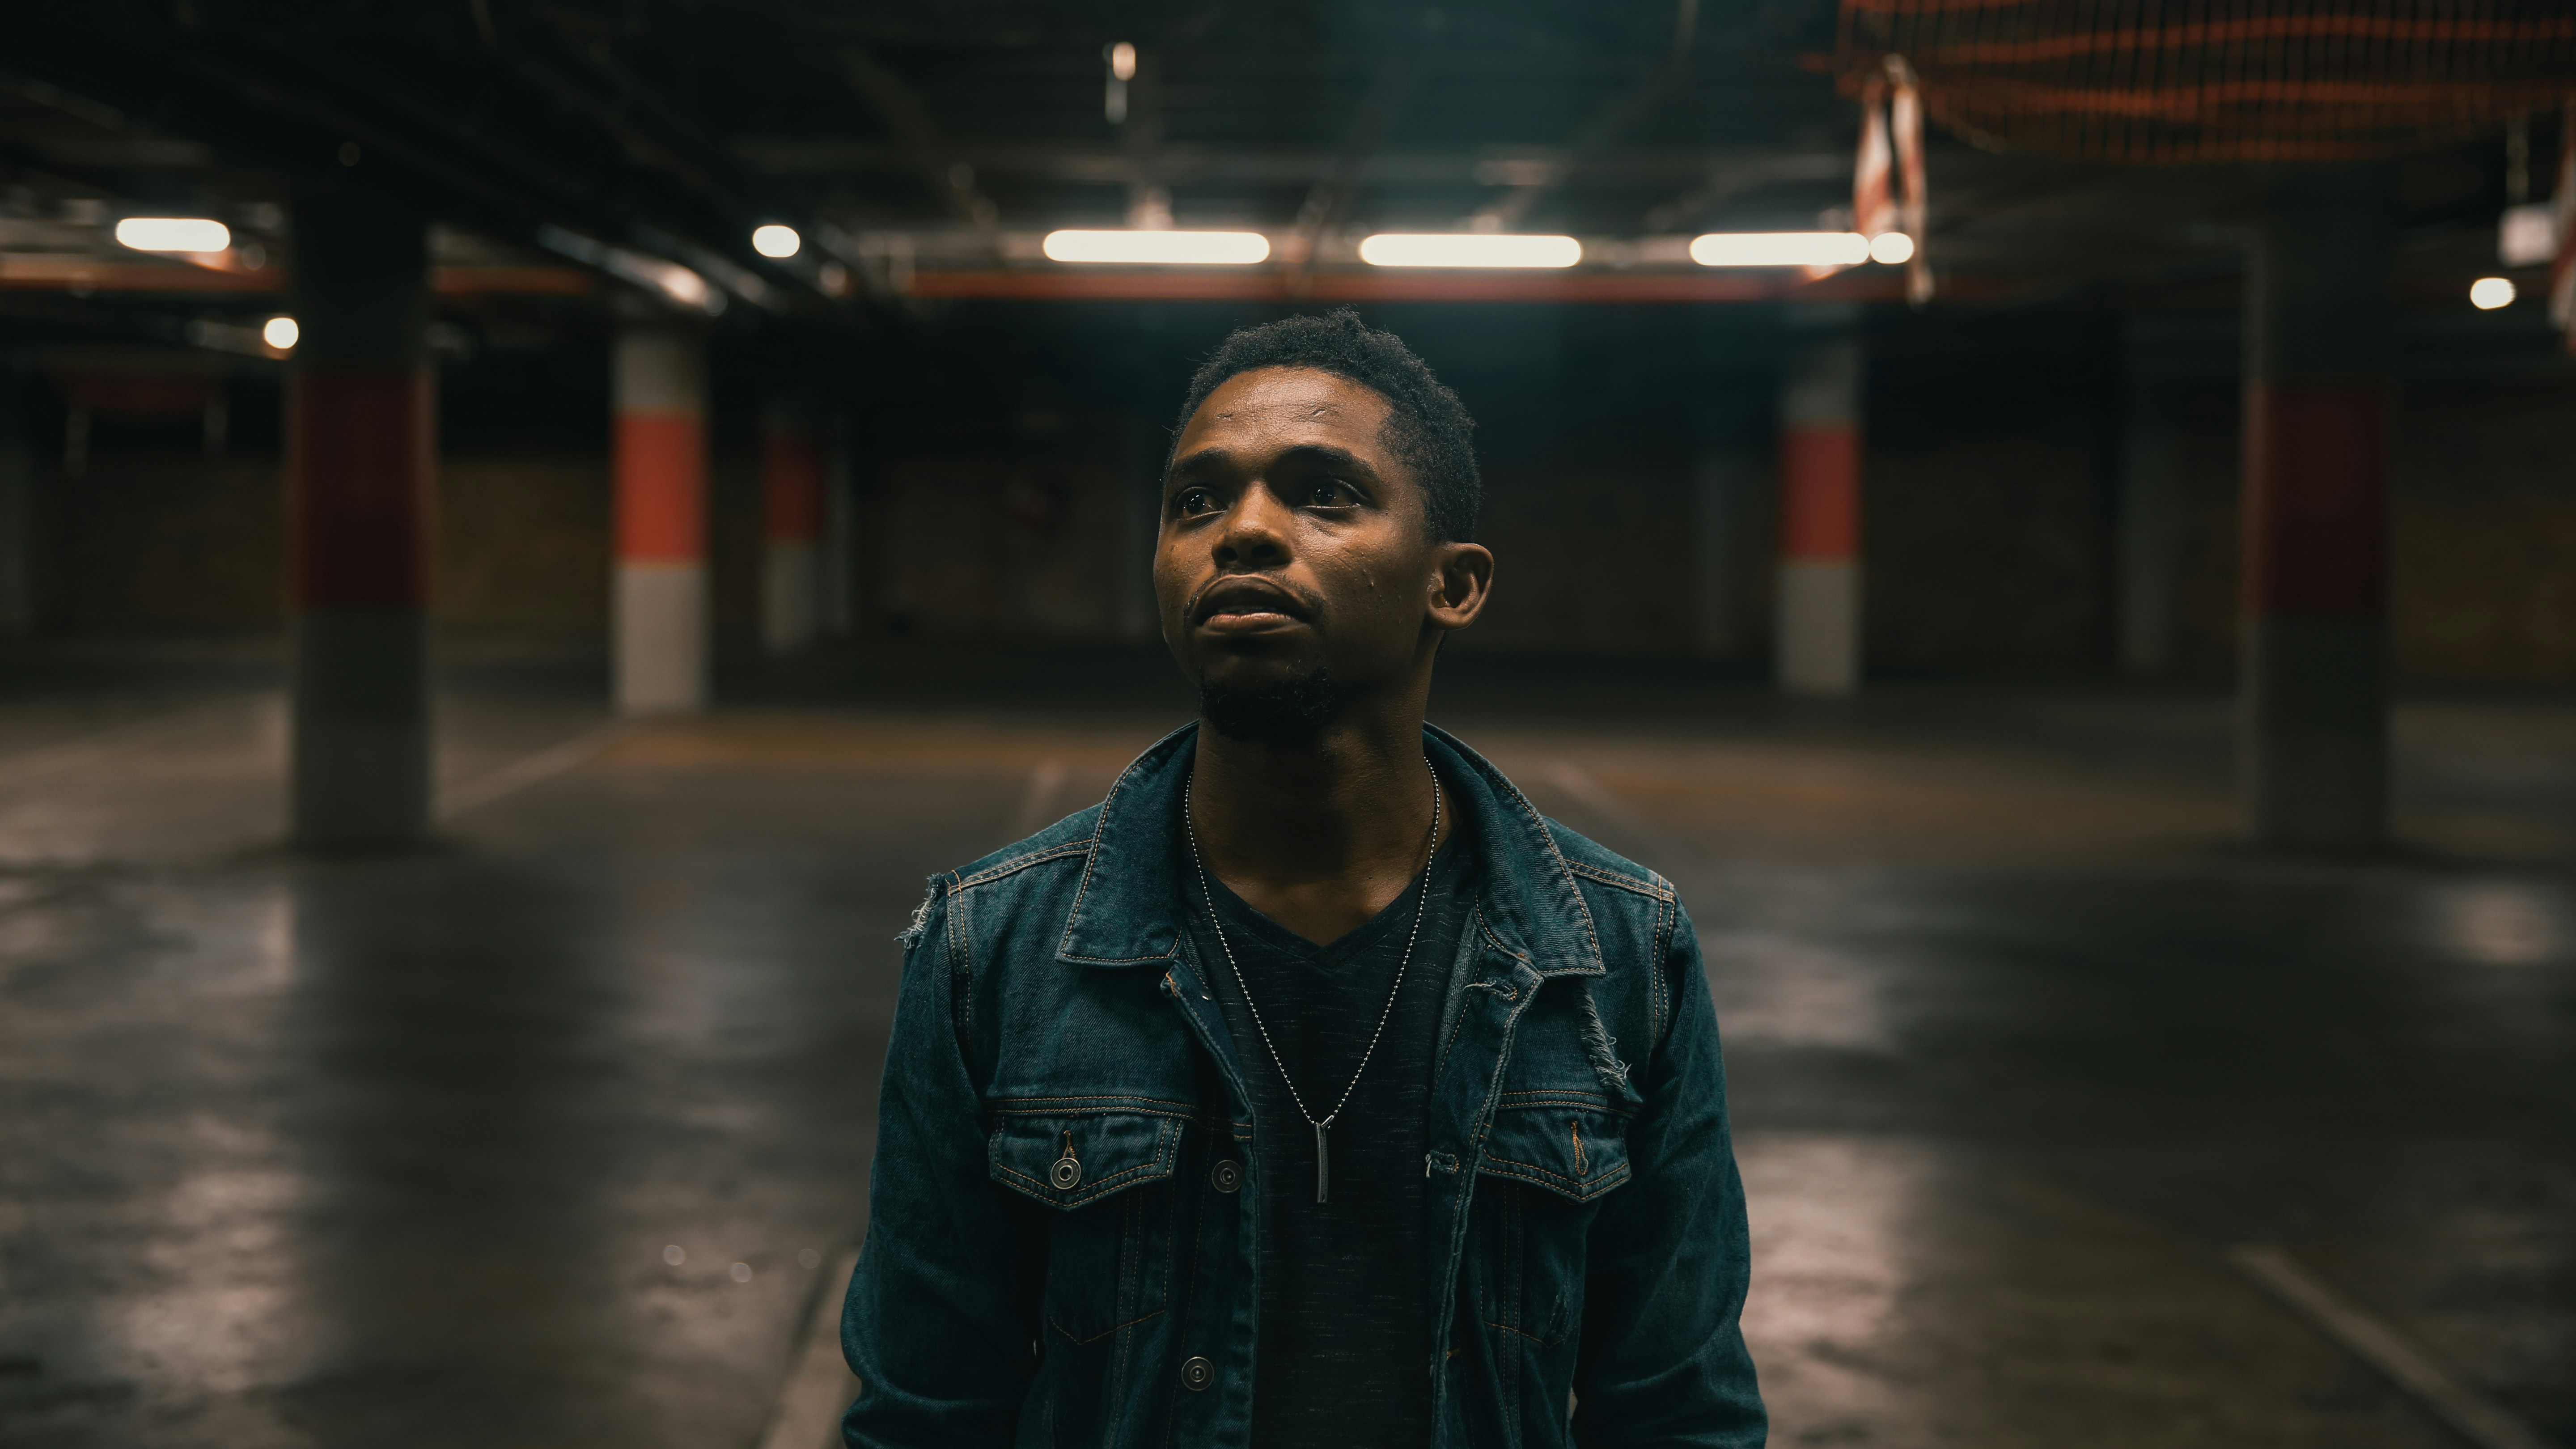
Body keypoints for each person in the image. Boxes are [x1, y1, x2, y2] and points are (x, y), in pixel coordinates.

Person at [842, 309, 1764, 1449]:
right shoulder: (993, 943)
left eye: (1323, 493)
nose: (1243, 531)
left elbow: (1677, 1410)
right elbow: (927, 1410)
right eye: (1197, 499)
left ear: (1455, 585)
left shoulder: (1623, 951)